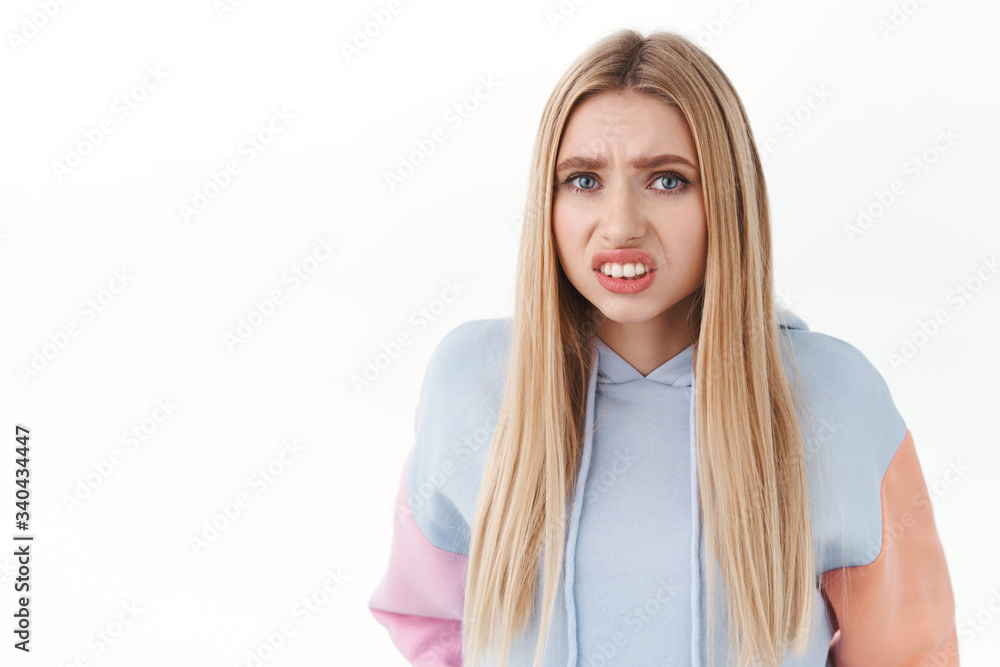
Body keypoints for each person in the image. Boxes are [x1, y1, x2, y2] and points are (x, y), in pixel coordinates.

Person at [368, 28, 959, 667]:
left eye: (668, 181)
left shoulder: (836, 398)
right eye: (584, 180)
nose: (620, 225)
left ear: (727, 200)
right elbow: (428, 621)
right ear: (549, 201)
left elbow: (910, 653)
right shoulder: (471, 383)